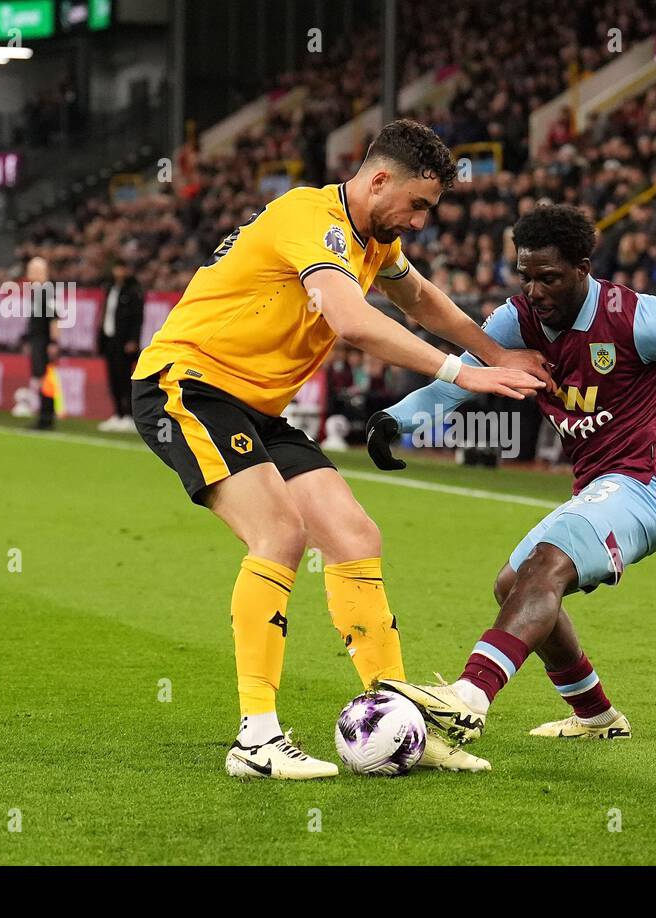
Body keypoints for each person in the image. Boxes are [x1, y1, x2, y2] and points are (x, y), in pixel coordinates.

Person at [129, 119, 547, 780]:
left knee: (354, 535)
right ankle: (257, 740)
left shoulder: (372, 238)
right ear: (378, 180)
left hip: (258, 406)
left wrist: (497, 352)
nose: (419, 221)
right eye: (417, 204)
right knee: (279, 533)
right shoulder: (311, 216)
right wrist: (465, 374)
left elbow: (421, 299)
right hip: (187, 385)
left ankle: (401, 721)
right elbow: (352, 323)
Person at [366, 205, 656, 751]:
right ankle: (595, 715)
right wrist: (396, 419)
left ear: (582, 268)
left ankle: (469, 697)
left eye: (547, 278)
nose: (534, 291)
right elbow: (461, 381)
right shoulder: (514, 322)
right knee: (512, 584)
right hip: (597, 487)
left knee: (547, 565)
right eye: (525, 276)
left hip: (651, 487)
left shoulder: (638, 319)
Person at [97, 260, 144, 432]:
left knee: (126, 379)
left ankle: (130, 416)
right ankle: (117, 413)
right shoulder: (110, 289)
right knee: (113, 379)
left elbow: (137, 319)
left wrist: (133, 340)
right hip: (110, 339)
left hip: (124, 342)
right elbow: (105, 314)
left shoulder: (133, 291)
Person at [22, 257, 60, 431]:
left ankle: (46, 417)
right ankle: (44, 416)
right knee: (41, 378)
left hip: (43, 341)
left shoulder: (46, 291)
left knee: (45, 379)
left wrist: (53, 342)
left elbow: (54, 319)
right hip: (38, 340)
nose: (28, 273)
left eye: (31, 269)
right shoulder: (38, 290)